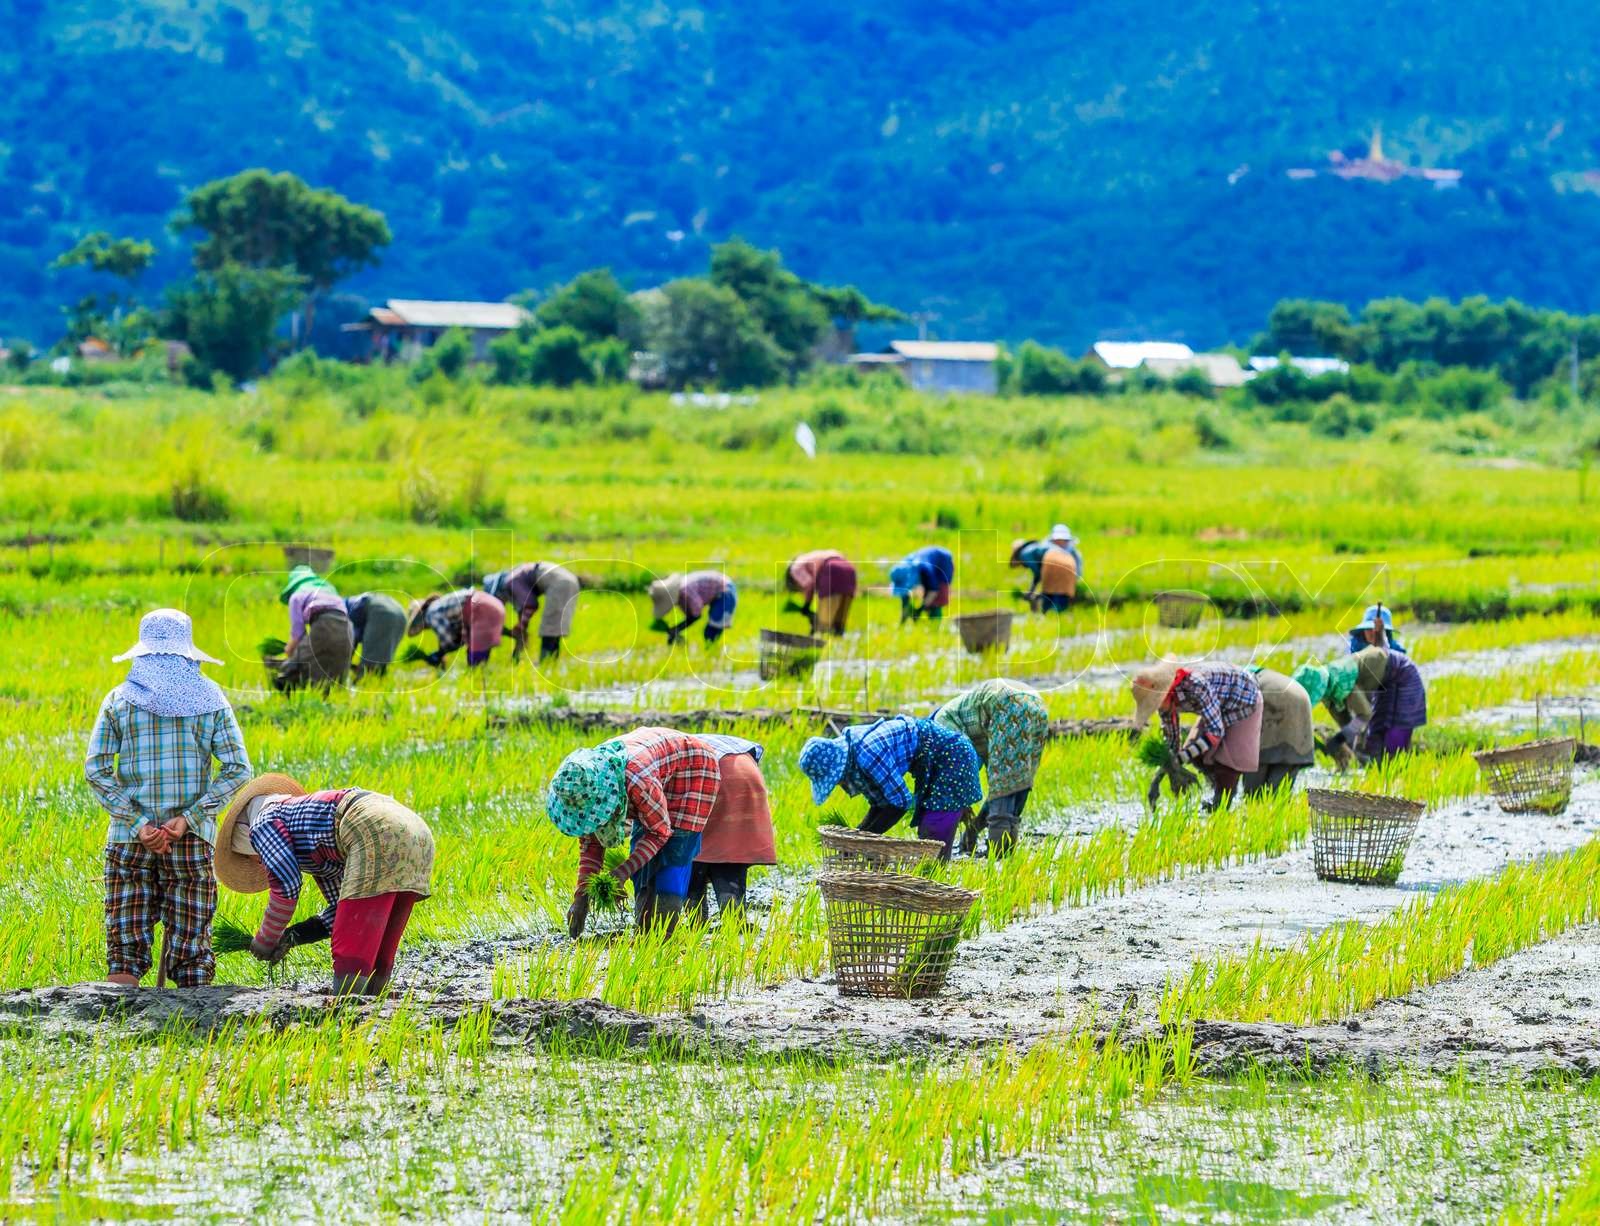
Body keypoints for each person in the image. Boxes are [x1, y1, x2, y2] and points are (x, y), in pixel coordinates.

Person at [85, 609, 252, 987]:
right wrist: (189, 819)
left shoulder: (119, 700)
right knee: (192, 955)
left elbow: (95, 769)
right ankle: (194, 1038)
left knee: (124, 954)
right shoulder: (211, 700)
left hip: (130, 841)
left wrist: (139, 824)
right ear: (187, 654)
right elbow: (238, 768)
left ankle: (115, 1038)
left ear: (142, 654)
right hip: (191, 842)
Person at [215, 775, 435, 996]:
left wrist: (265, 939)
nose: (263, 862)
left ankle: (349, 1015)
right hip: (415, 833)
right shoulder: (320, 844)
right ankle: (376, 1006)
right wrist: (293, 935)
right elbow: (343, 909)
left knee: (351, 947)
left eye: (256, 858)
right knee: (378, 944)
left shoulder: (262, 823)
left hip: (375, 830)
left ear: (248, 842)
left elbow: (286, 885)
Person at [550, 728, 721, 935]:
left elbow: (660, 833)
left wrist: (621, 872)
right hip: (655, 773)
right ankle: (645, 928)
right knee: (643, 867)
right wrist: (581, 897)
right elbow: (592, 843)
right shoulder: (582, 782)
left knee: (676, 849)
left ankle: (666, 932)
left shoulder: (639, 782)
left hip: (694, 769)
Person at [798, 715, 983, 858]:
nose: (840, 785)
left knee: (933, 834)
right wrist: (856, 839)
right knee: (929, 838)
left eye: (836, 780)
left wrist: (861, 841)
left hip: (953, 757)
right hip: (933, 761)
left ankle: (938, 892)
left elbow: (900, 803)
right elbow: (880, 805)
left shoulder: (866, 754)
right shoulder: (856, 754)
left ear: (840, 768)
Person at [934, 678, 1048, 858]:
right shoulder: (975, 723)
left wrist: (963, 808)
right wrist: (974, 828)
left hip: (1006, 701)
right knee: (1017, 788)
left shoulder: (941, 722)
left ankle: (997, 867)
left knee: (1005, 802)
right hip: (1037, 704)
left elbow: (957, 777)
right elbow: (1000, 791)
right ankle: (1007, 863)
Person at [1132, 661, 1263, 810]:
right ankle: (1215, 788)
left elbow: (1215, 732)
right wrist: (1159, 777)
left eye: (1156, 703)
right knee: (1197, 754)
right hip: (1218, 705)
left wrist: (1179, 759)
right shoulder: (1165, 704)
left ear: (1167, 690)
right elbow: (1173, 743)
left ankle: (1222, 804)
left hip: (1244, 700)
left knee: (1227, 763)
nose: (1158, 708)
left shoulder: (1195, 686)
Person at [688, 733, 778, 922]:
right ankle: (733, 922)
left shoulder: (658, 754)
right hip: (749, 776)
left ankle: (696, 920)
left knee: (691, 852)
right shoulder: (685, 742)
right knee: (731, 850)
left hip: (717, 774)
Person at [1296, 645, 1426, 763]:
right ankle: (1376, 771)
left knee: (1395, 734)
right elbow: (1346, 722)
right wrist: (1345, 745)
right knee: (1375, 737)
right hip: (1383, 682)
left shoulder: (1343, 682)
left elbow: (1365, 714)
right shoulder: (1329, 693)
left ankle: (1397, 774)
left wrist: (1339, 739)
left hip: (1402, 673)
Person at [483, 562, 582, 661]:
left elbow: (529, 603)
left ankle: (545, 664)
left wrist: (521, 626)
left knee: (550, 629)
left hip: (560, 583)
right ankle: (550, 664)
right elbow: (525, 604)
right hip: (567, 580)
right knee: (554, 629)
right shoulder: (515, 576)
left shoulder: (511, 581)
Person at [276, 565, 352, 692]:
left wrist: (290, 651)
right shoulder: (329, 591)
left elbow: (298, 633)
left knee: (302, 660)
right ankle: (333, 698)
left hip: (324, 624)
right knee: (337, 664)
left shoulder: (296, 597)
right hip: (347, 626)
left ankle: (289, 689)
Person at [1240, 668, 1315, 795]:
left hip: (1275, 706)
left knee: (1253, 792)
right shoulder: (1261, 674)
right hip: (1301, 709)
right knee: (1279, 792)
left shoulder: (1240, 679)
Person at [405, 589, 506, 666]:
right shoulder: (440, 605)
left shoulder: (430, 614)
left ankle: (479, 684)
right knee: (480, 655)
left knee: (475, 662)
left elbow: (449, 641)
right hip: (494, 604)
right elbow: (458, 637)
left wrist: (438, 655)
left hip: (481, 609)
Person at [649, 570, 737, 645]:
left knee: (711, 632)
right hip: (718, 590)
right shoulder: (680, 594)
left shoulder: (685, 592)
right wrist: (675, 630)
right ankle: (711, 652)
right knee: (711, 632)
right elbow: (691, 614)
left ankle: (711, 653)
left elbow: (696, 614)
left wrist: (677, 629)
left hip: (725, 591)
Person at [785, 549, 857, 636]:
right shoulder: (812, 557)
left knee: (824, 625)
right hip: (849, 570)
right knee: (838, 624)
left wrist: (806, 605)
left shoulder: (795, 568)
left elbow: (809, 584)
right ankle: (837, 642)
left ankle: (817, 645)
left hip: (832, 571)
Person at [345, 592, 408, 678]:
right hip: (401, 613)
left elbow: (350, 637)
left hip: (381, 612)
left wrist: (346, 662)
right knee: (380, 663)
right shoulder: (348, 601)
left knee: (369, 668)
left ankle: (364, 684)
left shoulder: (341, 609)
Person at [890, 545, 955, 622]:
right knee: (913, 597)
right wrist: (904, 612)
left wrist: (920, 609)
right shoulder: (903, 568)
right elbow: (904, 593)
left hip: (943, 562)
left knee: (938, 596)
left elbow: (933, 591)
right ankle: (910, 615)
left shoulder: (926, 570)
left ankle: (935, 623)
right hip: (927, 560)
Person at [1010, 539, 1078, 612]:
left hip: (1052, 558)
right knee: (1063, 590)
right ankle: (1061, 614)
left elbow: (1037, 573)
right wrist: (1032, 590)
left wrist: (1032, 592)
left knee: (1049, 592)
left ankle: (1049, 614)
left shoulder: (1024, 554)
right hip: (1069, 560)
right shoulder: (1038, 547)